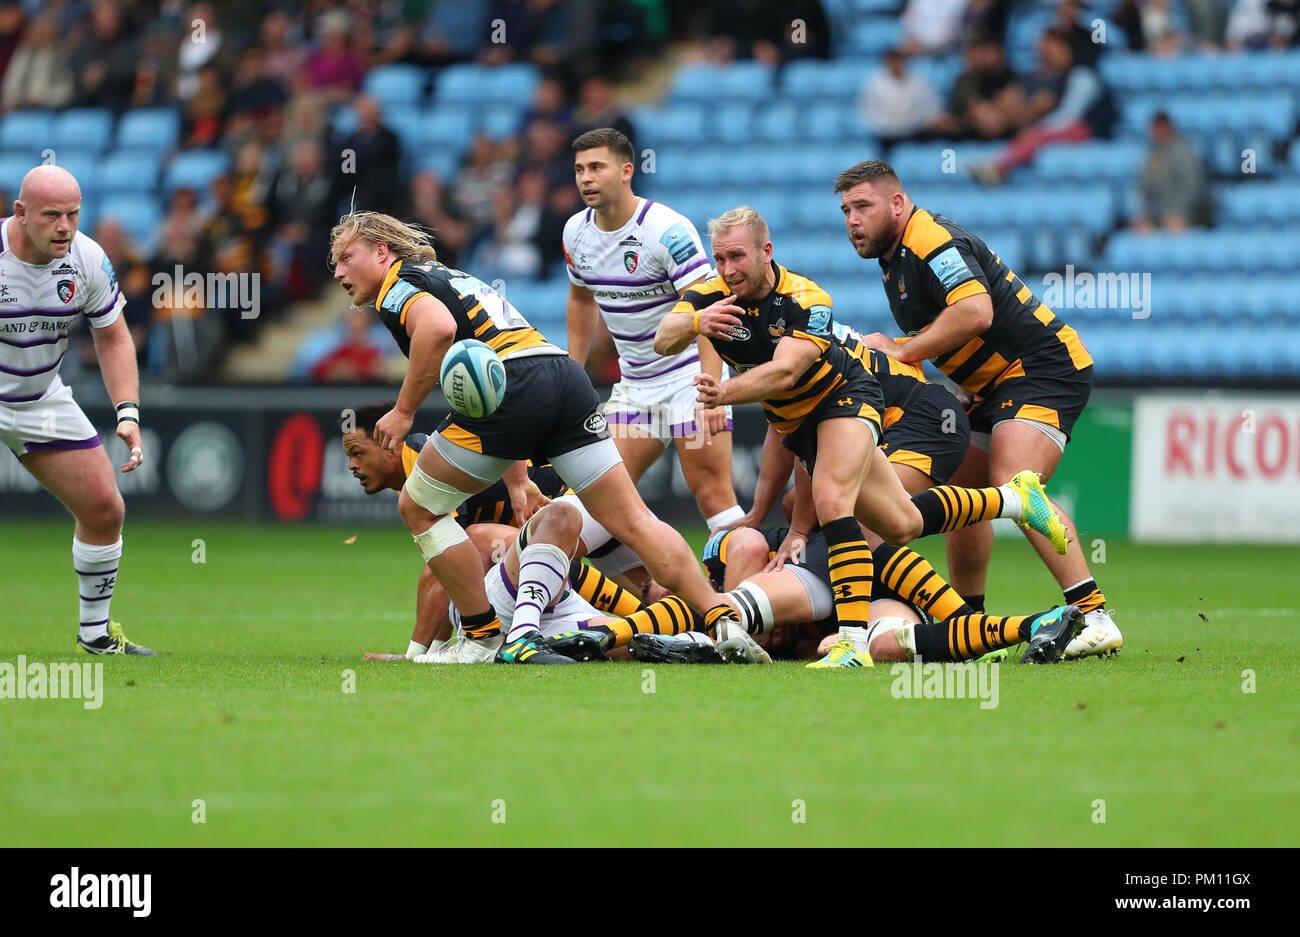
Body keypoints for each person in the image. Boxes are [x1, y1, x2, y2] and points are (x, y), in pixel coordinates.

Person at [655, 206, 1069, 668]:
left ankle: (856, 643)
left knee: (834, 505)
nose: (727, 270)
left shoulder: (807, 298)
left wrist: (723, 393)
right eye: (720, 259)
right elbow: (664, 338)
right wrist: (695, 322)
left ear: (766, 252)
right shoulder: (710, 295)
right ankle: (1014, 502)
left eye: (737, 257)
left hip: (854, 397)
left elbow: (786, 372)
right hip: (813, 421)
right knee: (900, 523)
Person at [328, 211, 744, 664]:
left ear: (382, 252)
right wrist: (517, 479)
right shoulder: (441, 274)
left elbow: (439, 330)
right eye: (335, 262)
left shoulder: (398, 286)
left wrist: (404, 411)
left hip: (515, 380)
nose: (338, 272)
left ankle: (481, 637)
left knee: (418, 507)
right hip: (562, 374)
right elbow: (488, 394)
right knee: (634, 521)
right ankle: (722, 618)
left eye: (347, 257)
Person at [835, 159, 1121, 659]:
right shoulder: (895, 259)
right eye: (845, 210)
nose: (852, 220)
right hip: (993, 387)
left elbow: (976, 311)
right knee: (962, 493)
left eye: (863, 206)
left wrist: (903, 350)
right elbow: (959, 330)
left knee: (1016, 485)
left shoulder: (929, 240)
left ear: (897, 203)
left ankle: (1095, 616)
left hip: (1043, 369)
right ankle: (969, 626)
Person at [0, 165, 152, 655]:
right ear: (20, 214)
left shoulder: (87, 258)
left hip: (39, 398)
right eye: (52, 216)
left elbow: (112, 338)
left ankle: (96, 635)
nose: (65, 226)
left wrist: (126, 411)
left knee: (105, 508)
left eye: (73, 214)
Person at [564, 127, 745, 533]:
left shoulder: (666, 230)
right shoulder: (575, 232)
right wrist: (573, 373)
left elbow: (707, 310)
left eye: (597, 167)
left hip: (689, 379)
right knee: (596, 498)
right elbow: (580, 299)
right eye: (579, 170)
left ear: (627, 170)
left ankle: (743, 590)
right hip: (635, 387)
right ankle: (653, 587)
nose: (586, 178)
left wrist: (710, 391)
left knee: (713, 495)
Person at [630, 525, 1083, 665]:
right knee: (886, 645)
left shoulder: (719, 558)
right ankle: (1036, 624)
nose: (667, 592)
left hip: (825, 567)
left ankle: (1008, 499)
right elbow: (798, 643)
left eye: (659, 587)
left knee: (737, 615)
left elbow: (746, 542)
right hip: (861, 601)